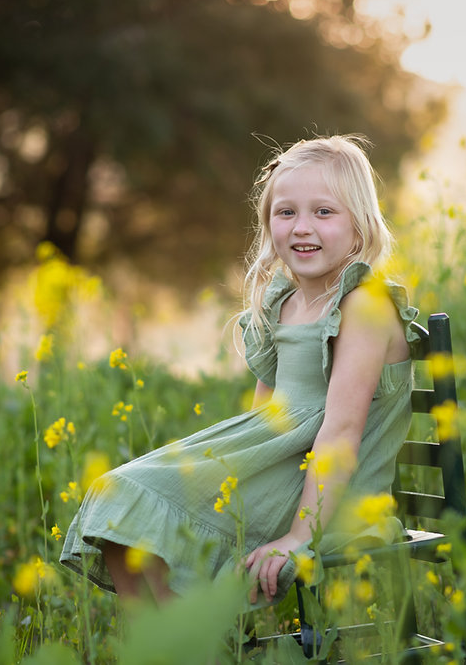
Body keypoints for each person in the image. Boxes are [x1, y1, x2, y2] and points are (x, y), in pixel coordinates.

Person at [59, 134, 419, 608]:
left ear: (360, 225)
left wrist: (297, 537)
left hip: (332, 500)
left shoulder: (363, 307)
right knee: (121, 502)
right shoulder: (286, 303)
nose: (301, 227)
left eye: (323, 212)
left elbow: (342, 431)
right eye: (285, 212)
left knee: (133, 502)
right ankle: (175, 647)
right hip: (279, 474)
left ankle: (189, 645)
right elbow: (263, 420)